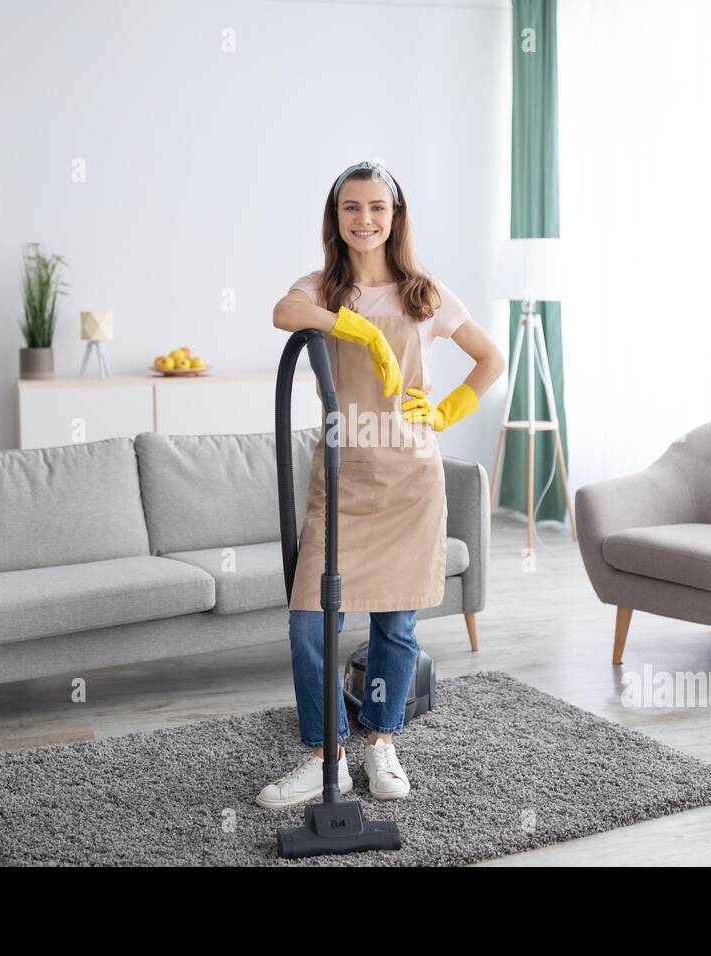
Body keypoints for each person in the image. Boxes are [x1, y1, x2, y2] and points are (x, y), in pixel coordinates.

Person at [259, 159, 505, 809]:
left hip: (409, 479)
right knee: (309, 623)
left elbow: (491, 358)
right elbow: (285, 312)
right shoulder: (320, 288)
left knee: (396, 627)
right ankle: (324, 756)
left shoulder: (426, 293)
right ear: (335, 218)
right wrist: (358, 327)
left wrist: (447, 411)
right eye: (351, 208)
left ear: (396, 217)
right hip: (340, 477)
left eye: (377, 208)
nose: (364, 219)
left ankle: (381, 743)